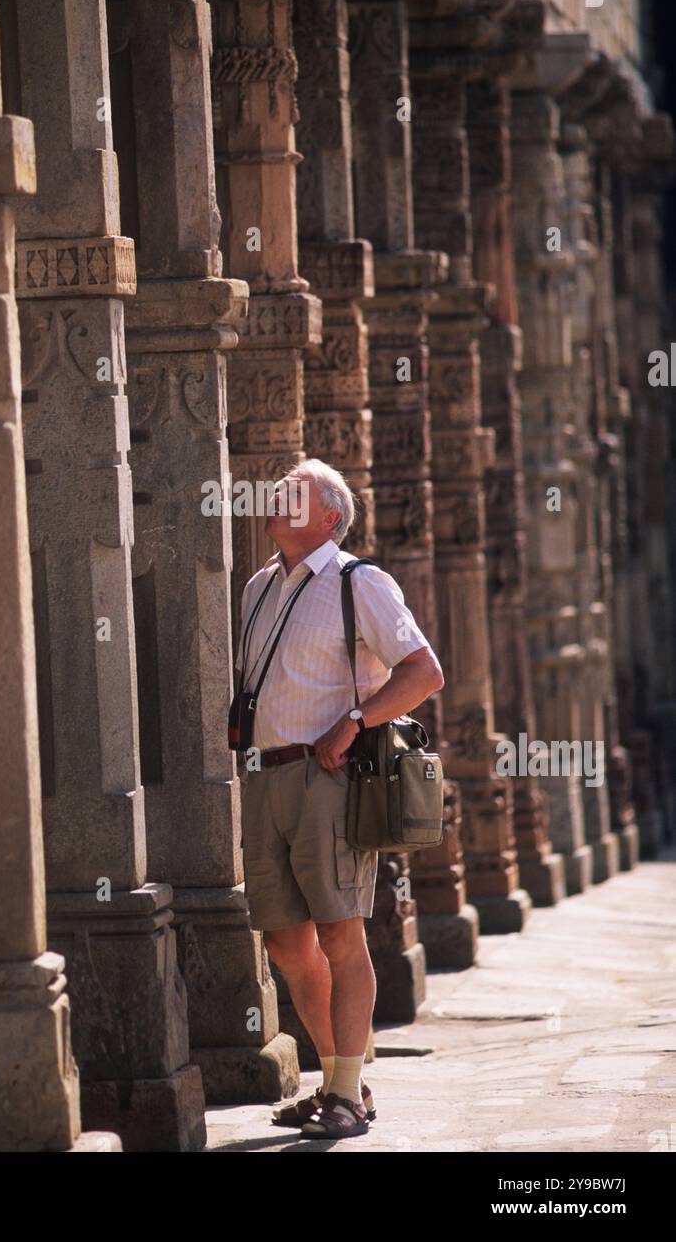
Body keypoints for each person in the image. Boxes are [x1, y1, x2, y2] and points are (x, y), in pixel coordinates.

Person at [234, 459, 444, 1139]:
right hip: (264, 776)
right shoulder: (258, 586)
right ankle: (338, 1081)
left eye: (293, 492)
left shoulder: (360, 582)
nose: (275, 497)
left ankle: (346, 1093)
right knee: (286, 945)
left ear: (328, 516)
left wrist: (356, 721)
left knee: (338, 933)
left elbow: (423, 673)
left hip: (328, 777)